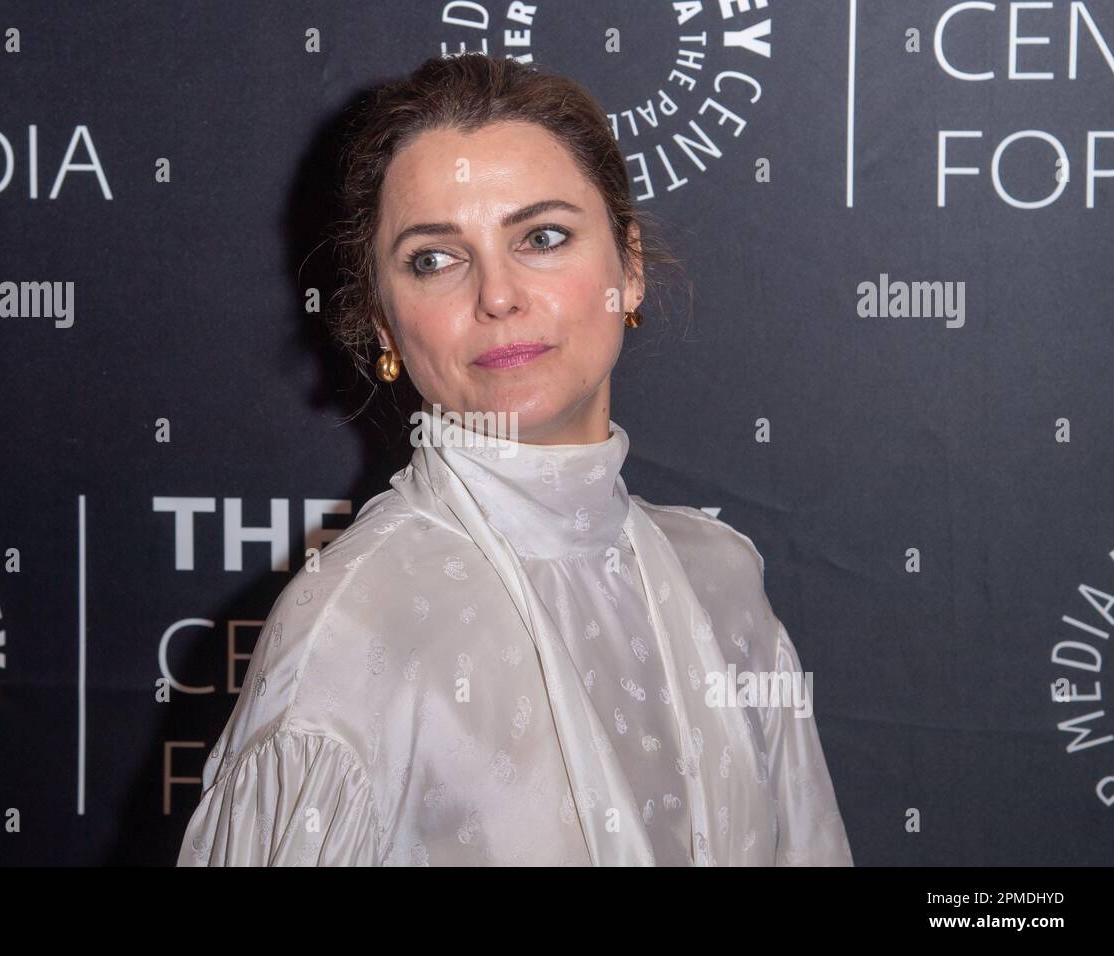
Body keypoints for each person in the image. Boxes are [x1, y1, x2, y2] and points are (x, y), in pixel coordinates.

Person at [177, 53, 852, 866]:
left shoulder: (723, 579)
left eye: (542, 237)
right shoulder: (353, 630)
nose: (496, 294)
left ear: (628, 270)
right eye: (434, 258)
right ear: (385, 329)